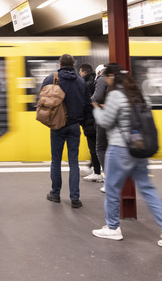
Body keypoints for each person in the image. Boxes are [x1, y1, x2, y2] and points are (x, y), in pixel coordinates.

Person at [91, 64, 162, 247]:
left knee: (111, 188)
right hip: (139, 148)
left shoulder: (116, 95)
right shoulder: (140, 95)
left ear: (111, 77)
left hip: (120, 149)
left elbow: (105, 121)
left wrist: (96, 108)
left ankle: (112, 228)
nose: (106, 82)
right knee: (148, 189)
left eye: (107, 78)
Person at [41, 54, 89, 208]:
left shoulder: (51, 79)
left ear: (59, 64)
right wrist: (82, 122)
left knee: (56, 160)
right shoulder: (81, 81)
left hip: (57, 126)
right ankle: (75, 198)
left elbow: (42, 100)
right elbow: (87, 105)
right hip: (74, 126)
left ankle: (55, 193)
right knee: (73, 161)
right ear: (74, 64)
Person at [92, 63, 115, 193]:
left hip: (105, 117)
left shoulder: (101, 79)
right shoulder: (121, 79)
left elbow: (98, 97)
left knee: (101, 148)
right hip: (116, 118)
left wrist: (90, 100)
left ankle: (109, 181)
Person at [78, 63, 102, 183]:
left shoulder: (86, 84)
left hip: (90, 120)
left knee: (93, 147)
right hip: (95, 119)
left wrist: (80, 119)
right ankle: (94, 169)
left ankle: (97, 172)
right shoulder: (95, 83)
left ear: (83, 72)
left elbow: (85, 104)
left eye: (80, 72)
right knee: (97, 147)